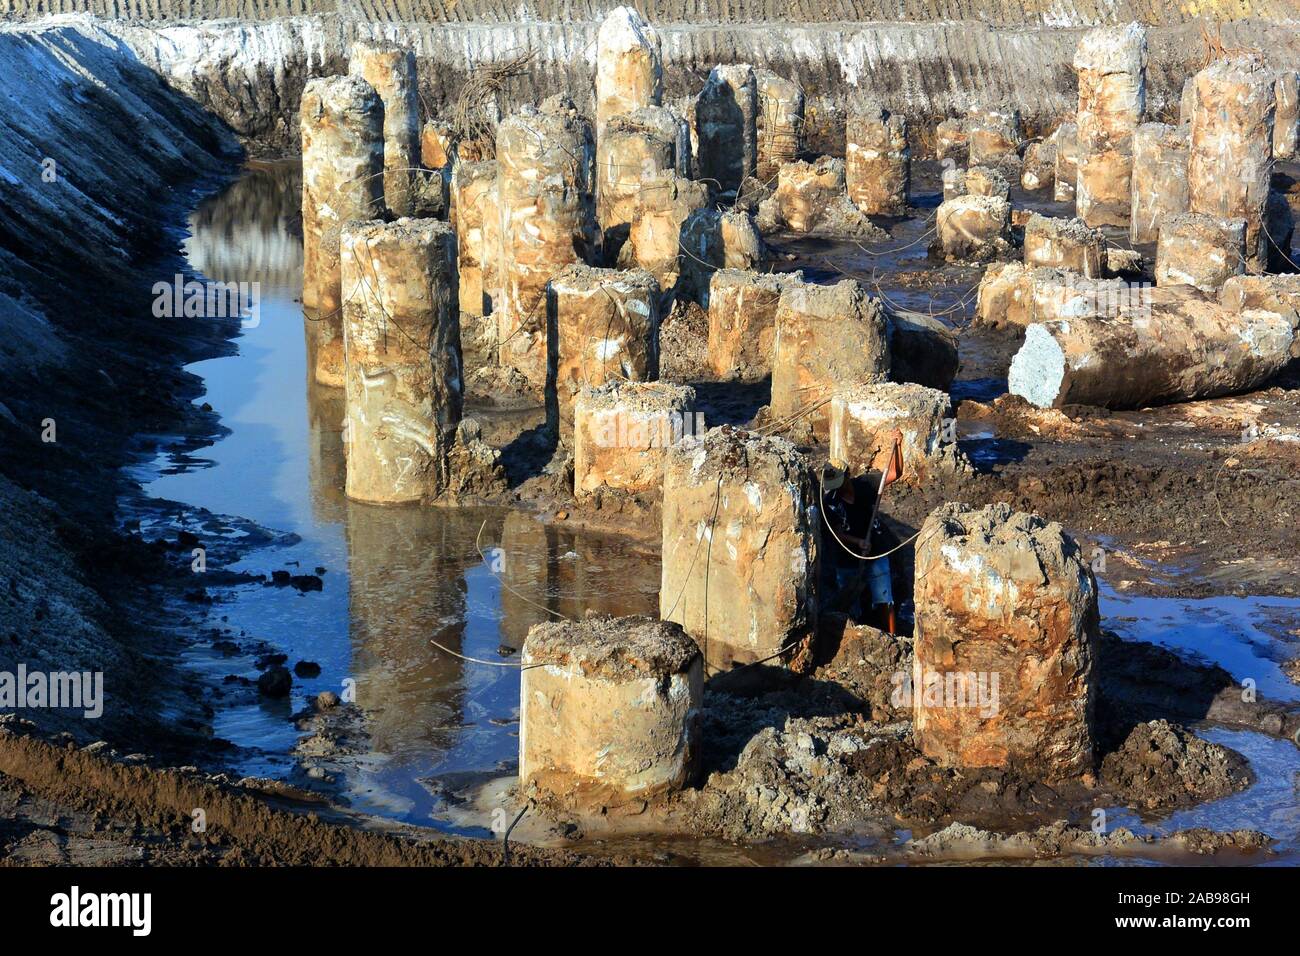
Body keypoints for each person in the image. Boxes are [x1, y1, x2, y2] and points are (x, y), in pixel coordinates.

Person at [819, 440, 902, 633]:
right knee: (850, 606)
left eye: (839, 484)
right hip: (847, 559)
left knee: (884, 597)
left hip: (875, 551)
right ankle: (855, 635)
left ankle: (892, 636)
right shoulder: (829, 502)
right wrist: (857, 542)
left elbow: (894, 473)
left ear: (848, 476)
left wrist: (896, 446)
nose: (836, 489)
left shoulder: (864, 485)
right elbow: (836, 534)